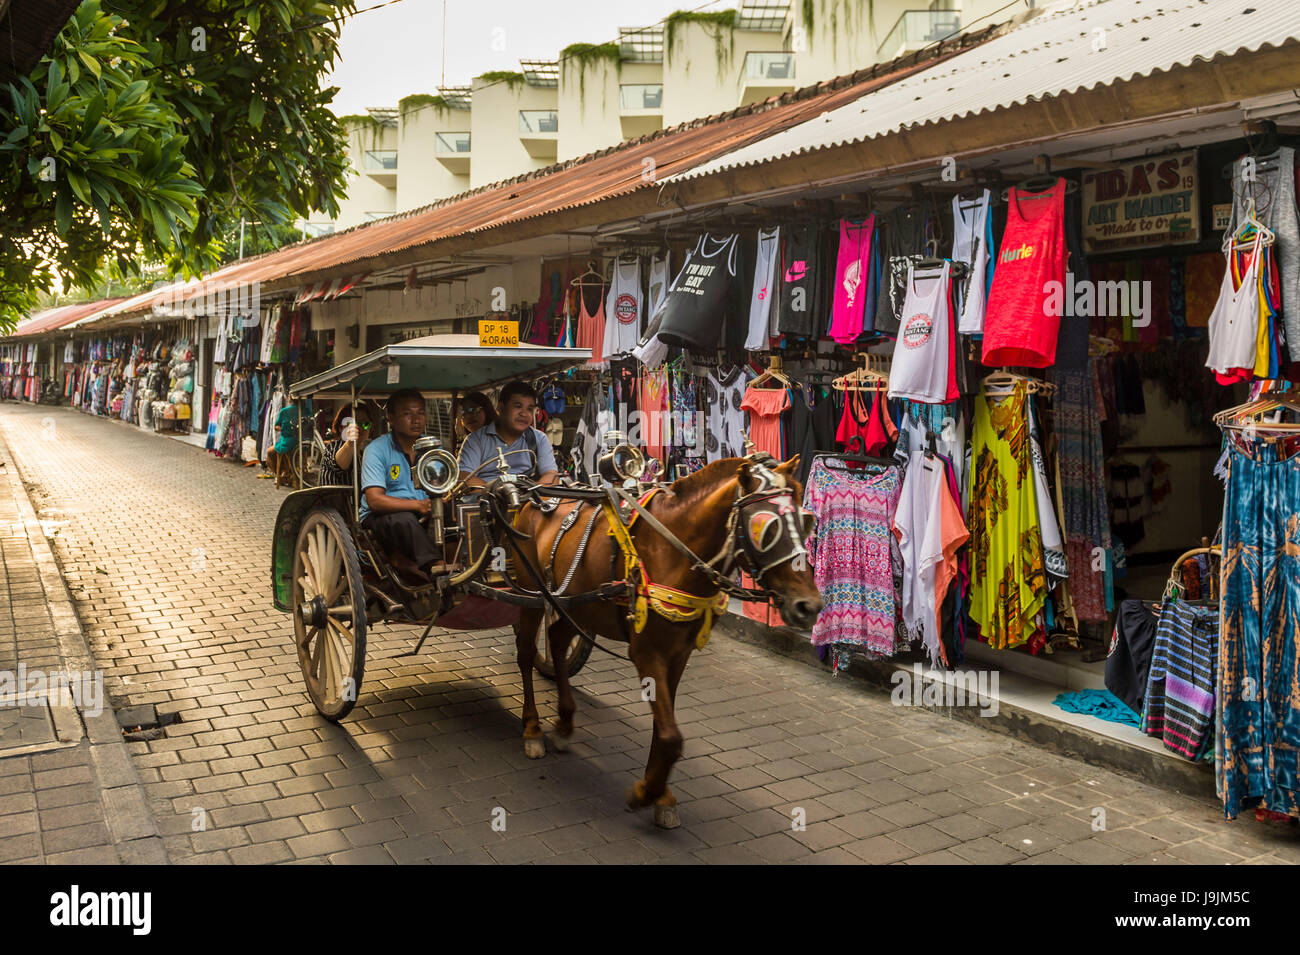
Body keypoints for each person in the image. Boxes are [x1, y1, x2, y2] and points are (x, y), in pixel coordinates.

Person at [359, 388, 439, 581]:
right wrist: (417, 505)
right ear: (392, 419)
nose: (416, 419)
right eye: (407, 414)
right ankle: (435, 566)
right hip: (383, 516)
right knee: (403, 519)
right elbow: (375, 500)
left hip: (425, 510)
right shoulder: (376, 450)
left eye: (420, 412)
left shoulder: (433, 448)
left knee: (456, 509)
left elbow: (441, 486)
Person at [458, 381, 559, 489]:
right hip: (486, 501)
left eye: (529, 409)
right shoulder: (476, 440)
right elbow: (464, 477)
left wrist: (533, 495)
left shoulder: (539, 438)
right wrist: (500, 495)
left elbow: (551, 475)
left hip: (526, 500)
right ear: (501, 408)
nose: (524, 414)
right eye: (518, 406)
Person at [319, 402, 374, 487]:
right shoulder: (333, 447)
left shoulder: (364, 456)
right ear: (341, 428)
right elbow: (339, 465)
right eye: (352, 424)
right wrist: (350, 442)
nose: (360, 428)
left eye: (365, 424)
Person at [264, 402, 301, 489]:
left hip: (288, 443)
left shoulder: (284, 411)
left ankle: (280, 475)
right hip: (300, 443)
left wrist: (284, 429)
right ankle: (285, 474)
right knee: (286, 455)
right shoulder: (306, 410)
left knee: (270, 452)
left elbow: (276, 426)